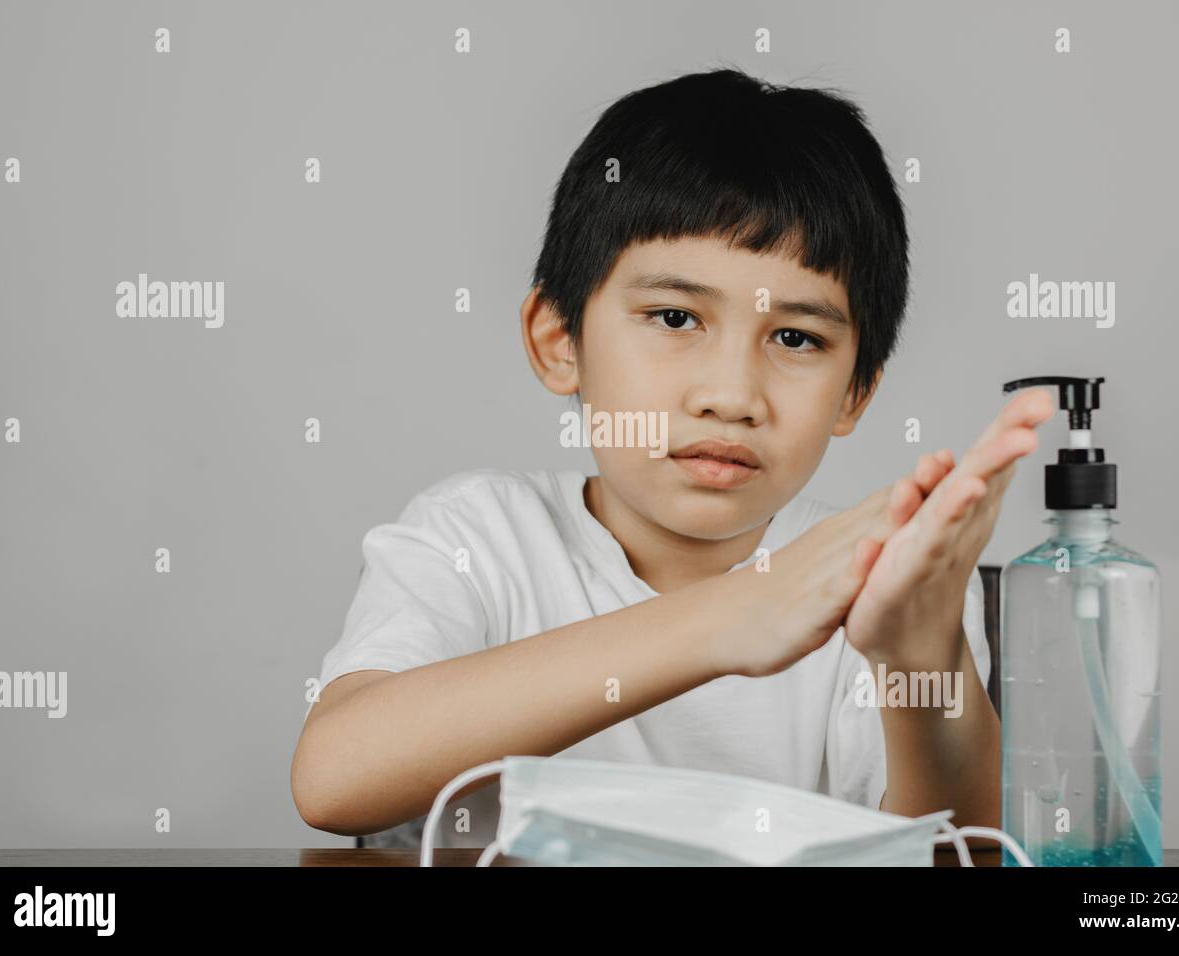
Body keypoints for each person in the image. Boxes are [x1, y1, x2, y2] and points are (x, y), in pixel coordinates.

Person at [290, 67, 1055, 850]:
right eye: (675, 316)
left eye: (796, 338)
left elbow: (959, 852)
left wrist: (920, 654)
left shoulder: (880, 572)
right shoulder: (476, 538)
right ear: (560, 342)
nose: (731, 394)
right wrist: (730, 618)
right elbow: (332, 779)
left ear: (854, 391)